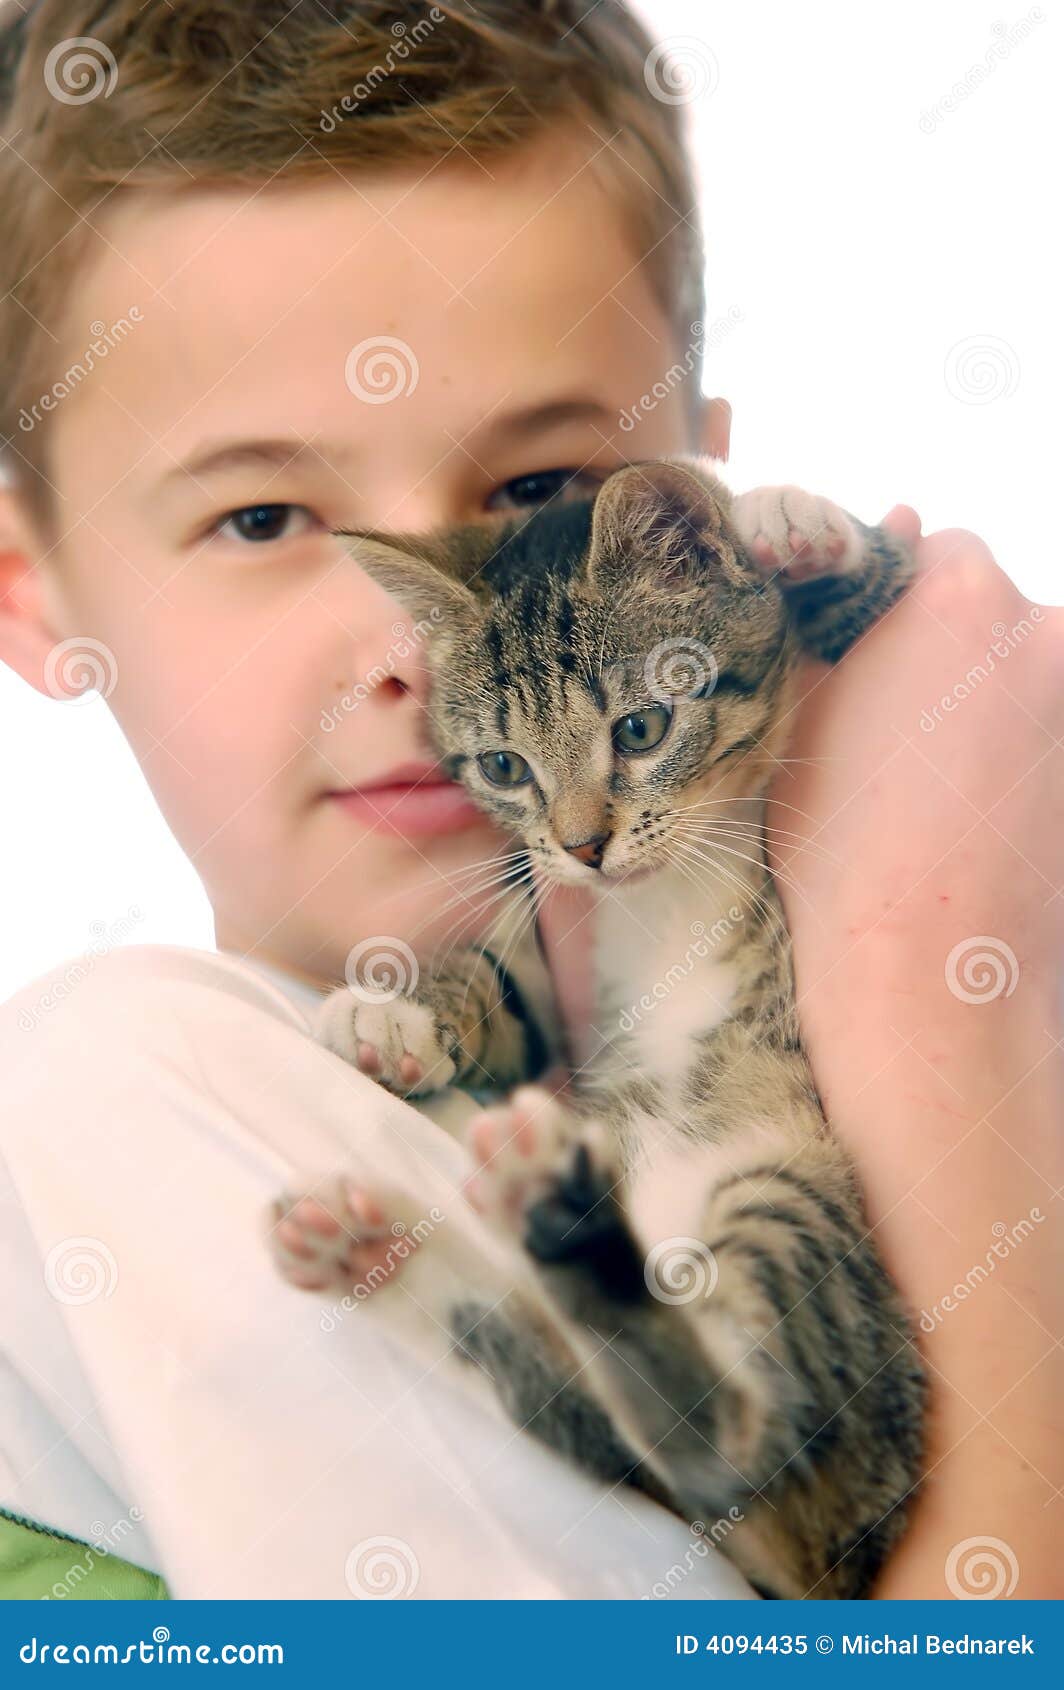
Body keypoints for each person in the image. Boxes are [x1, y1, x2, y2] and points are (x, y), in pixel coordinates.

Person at [0, 0, 1058, 1600]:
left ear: (702, 510)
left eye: (542, 492)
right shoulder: (109, 1084)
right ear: (31, 592)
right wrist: (936, 986)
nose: (431, 655)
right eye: (266, 512)